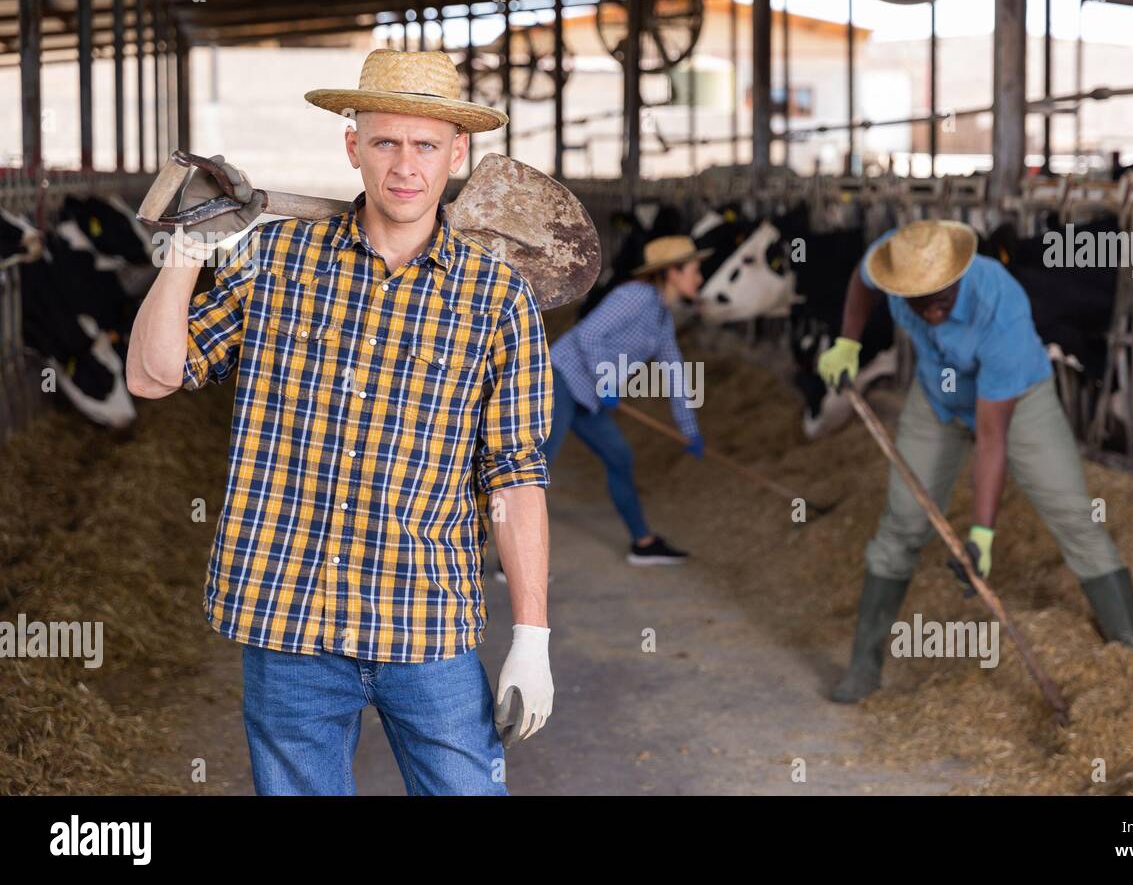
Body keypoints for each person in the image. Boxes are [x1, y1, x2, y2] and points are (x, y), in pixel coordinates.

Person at [126, 49, 555, 794]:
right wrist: (187, 252)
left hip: (425, 622)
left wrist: (533, 634)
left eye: (426, 145)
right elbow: (152, 374)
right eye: (385, 141)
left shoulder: (498, 300)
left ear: (458, 154)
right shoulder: (275, 259)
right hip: (288, 616)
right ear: (352, 146)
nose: (404, 166)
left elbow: (514, 475)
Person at [817, 219, 1133, 704]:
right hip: (937, 398)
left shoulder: (1001, 306)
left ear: (959, 275)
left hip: (1018, 401)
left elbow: (990, 437)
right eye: (917, 300)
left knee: (1075, 519)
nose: (931, 310)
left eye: (942, 298)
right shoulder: (891, 264)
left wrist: (981, 536)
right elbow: (860, 281)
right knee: (902, 526)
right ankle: (863, 670)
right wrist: (848, 341)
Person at [546, 234, 708, 566]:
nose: (700, 278)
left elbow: (675, 375)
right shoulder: (636, 296)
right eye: (695, 270)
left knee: (620, 457)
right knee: (537, 468)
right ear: (673, 272)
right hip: (560, 379)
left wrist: (689, 429)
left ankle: (643, 543)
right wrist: (607, 380)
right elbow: (588, 333)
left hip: (588, 397)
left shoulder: (662, 319)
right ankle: (508, 557)